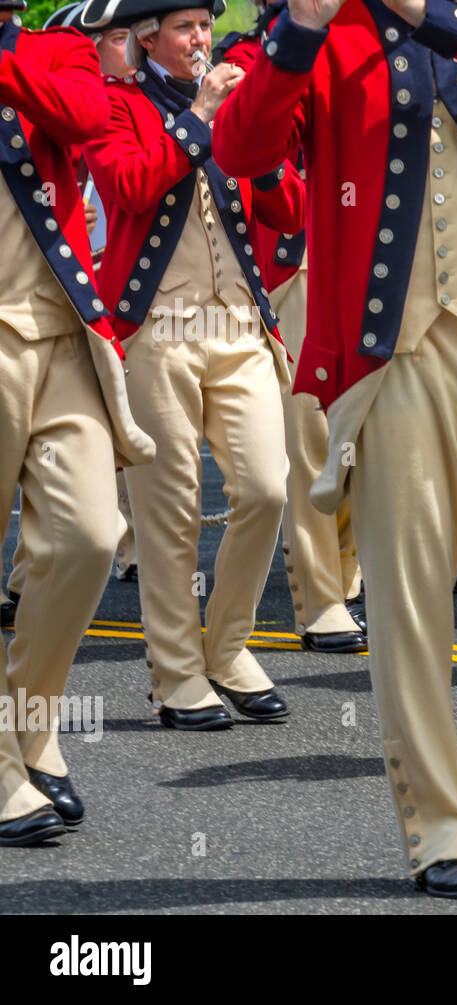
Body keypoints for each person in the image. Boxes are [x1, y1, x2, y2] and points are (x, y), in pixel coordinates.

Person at [214, 0, 457, 899]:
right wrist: (301, 30)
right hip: (396, 351)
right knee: (412, 596)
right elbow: (243, 155)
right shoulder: (322, 29)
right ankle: (440, 822)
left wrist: (434, 15)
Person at [84, 0, 303, 732]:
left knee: (268, 487)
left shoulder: (236, 108)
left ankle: (230, 646)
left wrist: (259, 145)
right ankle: (177, 672)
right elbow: (126, 188)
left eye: (205, 26)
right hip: (157, 329)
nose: (202, 40)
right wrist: (202, 116)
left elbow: (293, 214)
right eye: (184, 29)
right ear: (147, 41)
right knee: (168, 509)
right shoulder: (116, 106)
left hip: (240, 323)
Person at [0, 2, 154, 845]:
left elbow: (83, 116)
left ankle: (29, 719)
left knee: (92, 535)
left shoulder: (55, 53)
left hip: (60, 332)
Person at [217, 1, 367, 655]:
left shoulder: (368, 47)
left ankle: (353, 573)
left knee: (366, 427)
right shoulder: (252, 61)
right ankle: (320, 596)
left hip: (369, 255)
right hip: (297, 258)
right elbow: (252, 156)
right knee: (311, 433)